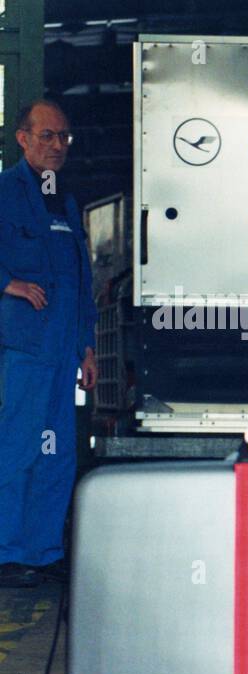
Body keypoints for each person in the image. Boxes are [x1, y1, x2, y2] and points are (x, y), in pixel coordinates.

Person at [0, 100, 98, 588]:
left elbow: (82, 279)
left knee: (56, 451)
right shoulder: (4, 192)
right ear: (22, 138)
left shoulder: (65, 200)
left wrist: (88, 345)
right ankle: (7, 552)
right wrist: (7, 284)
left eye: (64, 137)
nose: (57, 146)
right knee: (16, 448)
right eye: (47, 136)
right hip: (24, 347)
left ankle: (43, 551)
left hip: (63, 350)